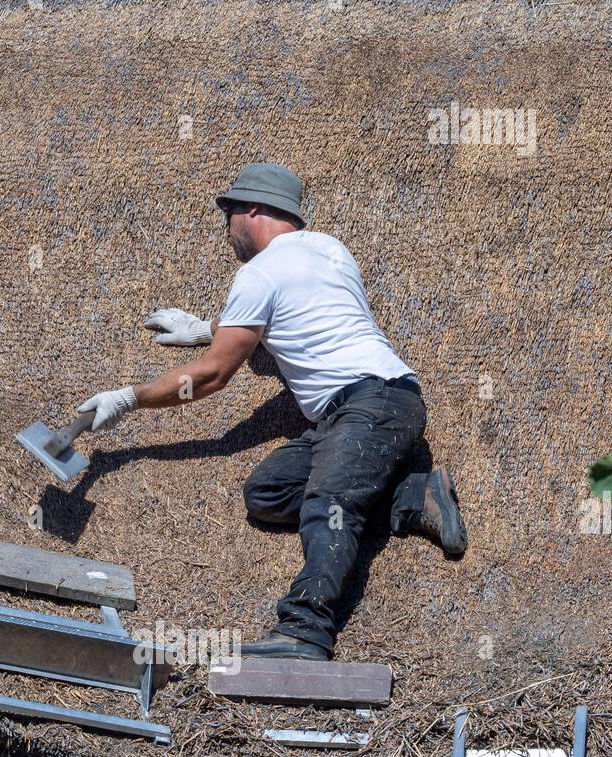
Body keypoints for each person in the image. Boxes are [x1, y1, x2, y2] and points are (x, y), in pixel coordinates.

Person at [78, 162, 467, 660]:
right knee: (268, 491)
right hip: (389, 404)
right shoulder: (331, 250)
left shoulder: (257, 272)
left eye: (231, 213)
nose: (227, 228)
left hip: (367, 406)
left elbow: (215, 374)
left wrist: (129, 397)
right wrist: (208, 327)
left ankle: (304, 631)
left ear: (255, 210)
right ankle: (414, 495)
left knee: (331, 505)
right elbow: (300, 315)